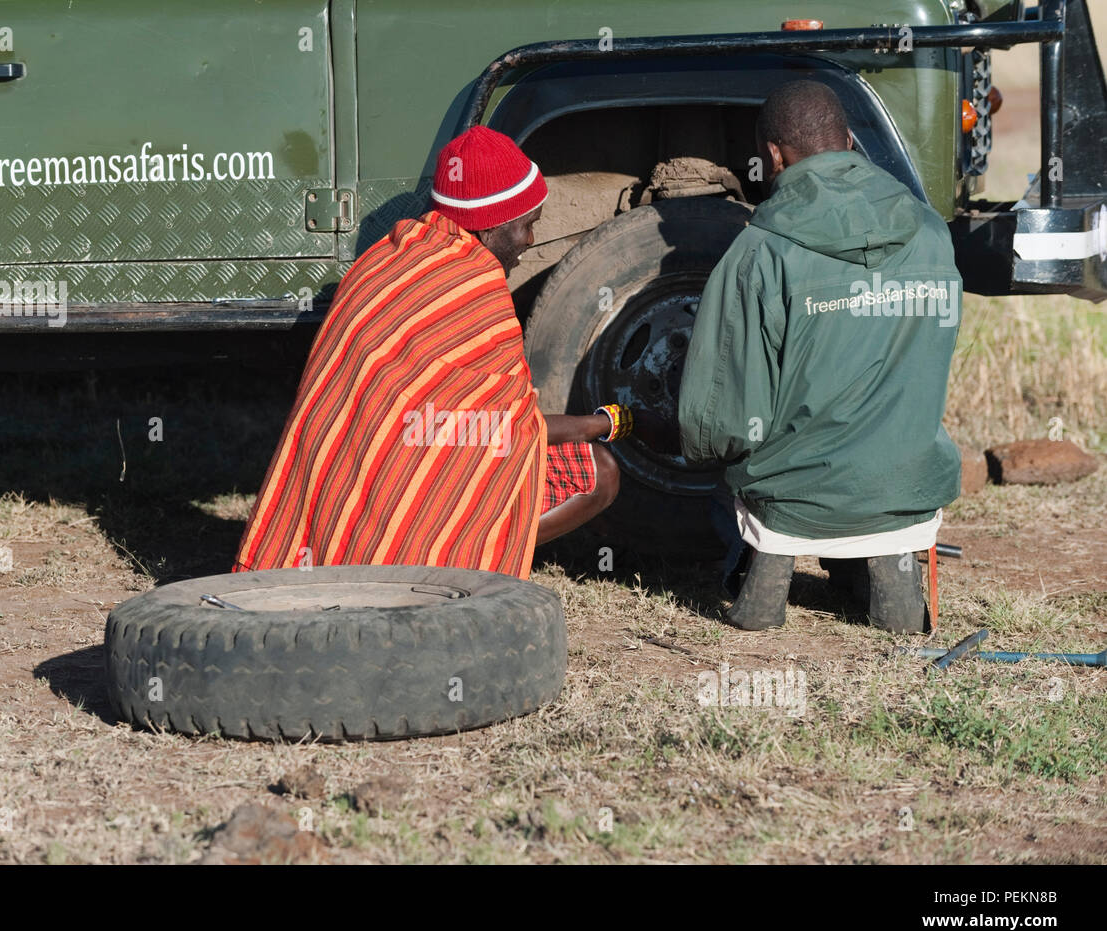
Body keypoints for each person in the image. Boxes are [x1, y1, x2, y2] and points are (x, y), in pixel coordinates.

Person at [234, 126, 667, 578]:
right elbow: (511, 433)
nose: (531, 240)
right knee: (598, 473)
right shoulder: (476, 288)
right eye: (527, 224)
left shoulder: (386, 257)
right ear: (491, 224)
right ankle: (457, 567)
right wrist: (620, 423)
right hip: (397, 511)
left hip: (329, 514)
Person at [677, 80, 963, 633]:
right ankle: (887, 594)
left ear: (775, 155)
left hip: (793, 496)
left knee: (726, 472)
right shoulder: (929, 231)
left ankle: (762, 593)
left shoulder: (759, 250)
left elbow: (723, 416)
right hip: (908, 485)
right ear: (850, 140)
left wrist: (693, 445)